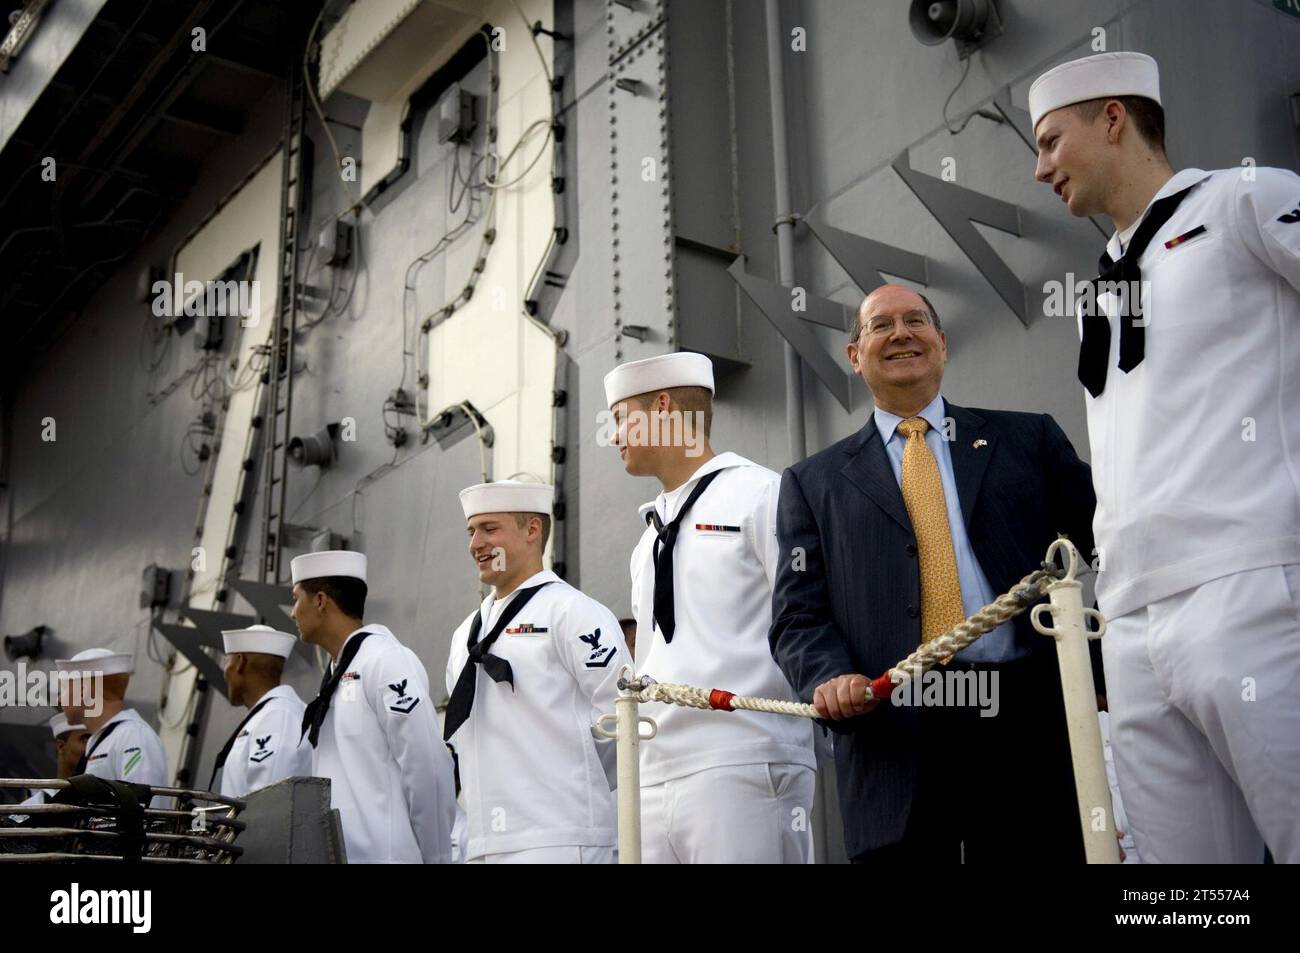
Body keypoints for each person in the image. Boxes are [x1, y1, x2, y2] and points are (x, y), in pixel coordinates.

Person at [1031, 50, 1300, 863]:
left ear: (1113, 118)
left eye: (1049, 142)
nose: (1041, 168)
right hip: (1135, 618)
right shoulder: (1099, 294)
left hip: (1251, 588)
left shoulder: (1248, 200)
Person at [769, 285, 1098, 863]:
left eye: (916, 320)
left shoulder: (1029, 440)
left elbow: (1104, 537)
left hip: (1025, 719)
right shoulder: (812, 483)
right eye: (880, 325)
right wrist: (830, 674)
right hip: (892, 731)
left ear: (941, 344)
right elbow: (798, 615)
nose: (901, 334)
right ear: (855, 356)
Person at [606, 351, 816, 863]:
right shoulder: (647, 540)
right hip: (654, 770)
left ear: (661, 406)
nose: (614, 437)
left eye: (619, 419)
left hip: (744, 756)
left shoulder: (763, 496)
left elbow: (808, 618)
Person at [445, 479, 629, 863]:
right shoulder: (465, 635)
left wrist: (576, 790)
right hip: (485, 844)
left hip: (561, 838)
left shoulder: (572, 613)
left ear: (533, 530)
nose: (475, 544)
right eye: (471, 531)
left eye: (489, 529)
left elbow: (621, 721)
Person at [291, 550, 456, 863]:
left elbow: (427, 768)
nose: (292, 612)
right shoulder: (334, 679)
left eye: (296, 598)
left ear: (320, 601)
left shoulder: (385, 660)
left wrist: (437, 858)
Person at [58, 648, 169, 807]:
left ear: (82, 691)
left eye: (64, 689)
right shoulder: (103, 740)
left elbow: (145, 810)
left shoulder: (133, 737)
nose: (60, 699)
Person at [211, 624, 311, 798]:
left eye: (227, 660)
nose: (225, 672)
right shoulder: (270, 714)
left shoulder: (278, 717)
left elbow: (267, 802)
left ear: (240, 662)